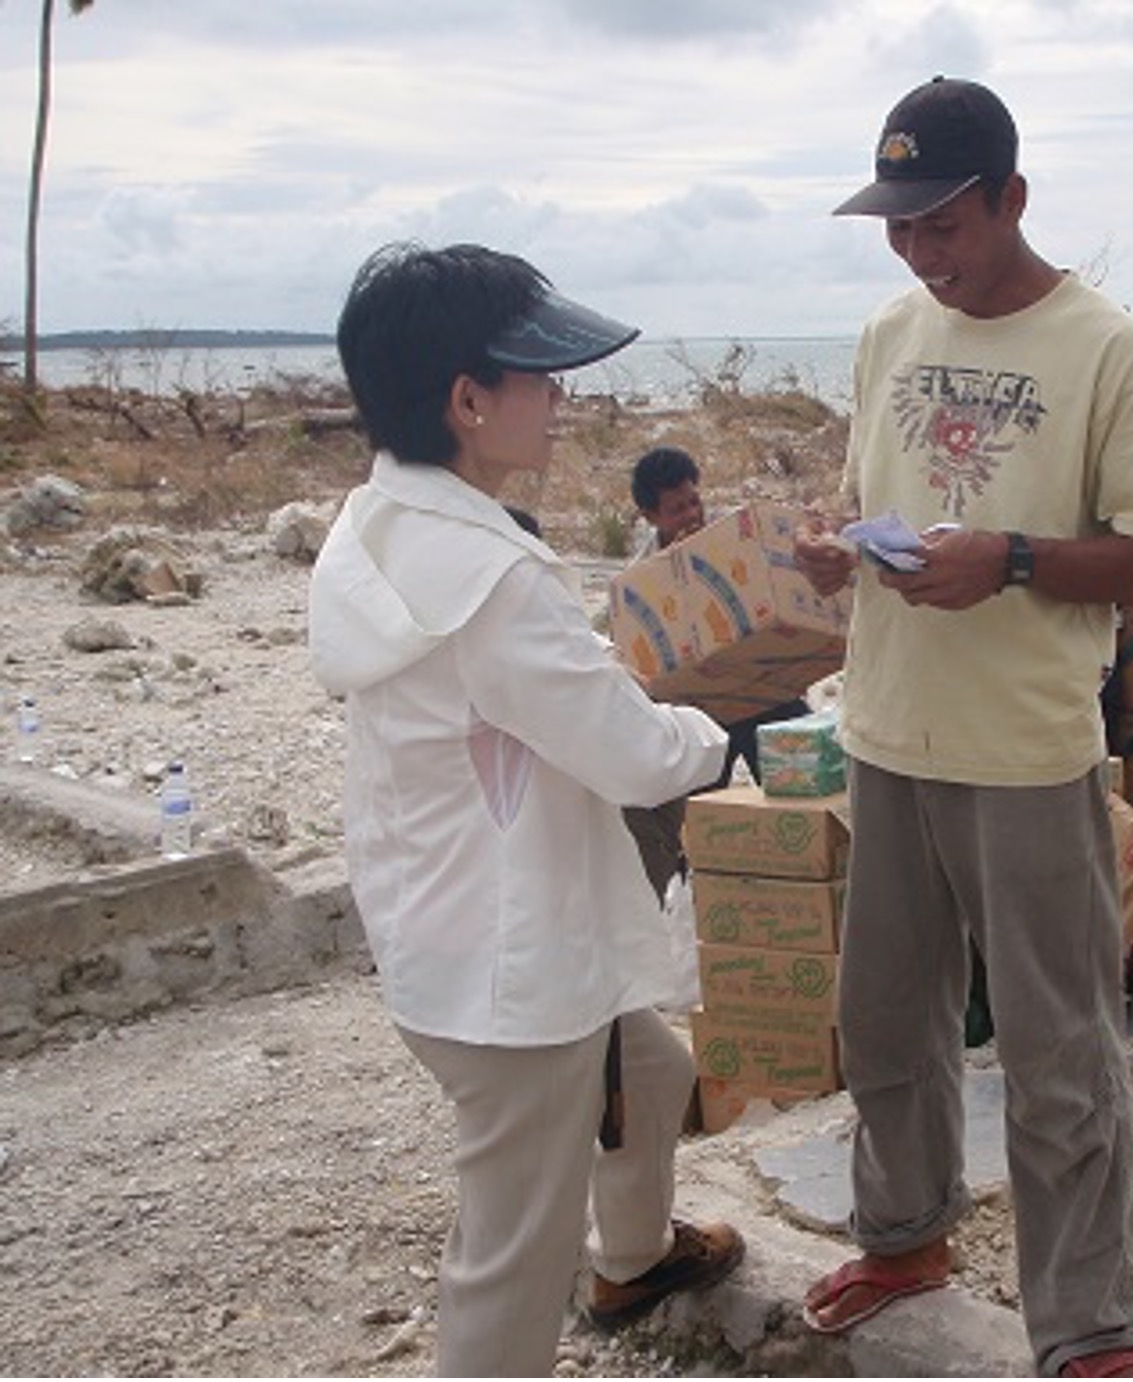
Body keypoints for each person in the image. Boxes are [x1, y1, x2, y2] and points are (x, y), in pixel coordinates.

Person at [790, 76, 1133, 1379]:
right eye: (900, 229)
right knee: (887, 1019)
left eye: (944, 225)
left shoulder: (1109, 350)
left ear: (1013, 198)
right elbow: (869, 495)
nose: (921, 253)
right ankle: (904, 1233)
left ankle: (1089, 1325)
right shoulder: (891, 331)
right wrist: (833, 551)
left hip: (1024, 752)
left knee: (1058, 1050)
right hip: (888, 732)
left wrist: (1007, 560)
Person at [307, 242, 745, 1376]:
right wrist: (720, 733)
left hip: (441, 926)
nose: (559, 403)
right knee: (508, 1251)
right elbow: (636, 754)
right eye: (539, 381)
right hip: (509, 974)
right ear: (466, 399)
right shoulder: (496, 583)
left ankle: (634, 1256)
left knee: (647, 1071)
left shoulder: (381, 523)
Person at [627, 444, 810, 786]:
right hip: (702, 711)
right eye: (677, 509)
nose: (692, 515)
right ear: (650, 516)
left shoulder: (736, 540)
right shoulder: (639, 584)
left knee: (805, 777)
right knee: (704, 814)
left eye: (694, 501)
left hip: (763, 691)